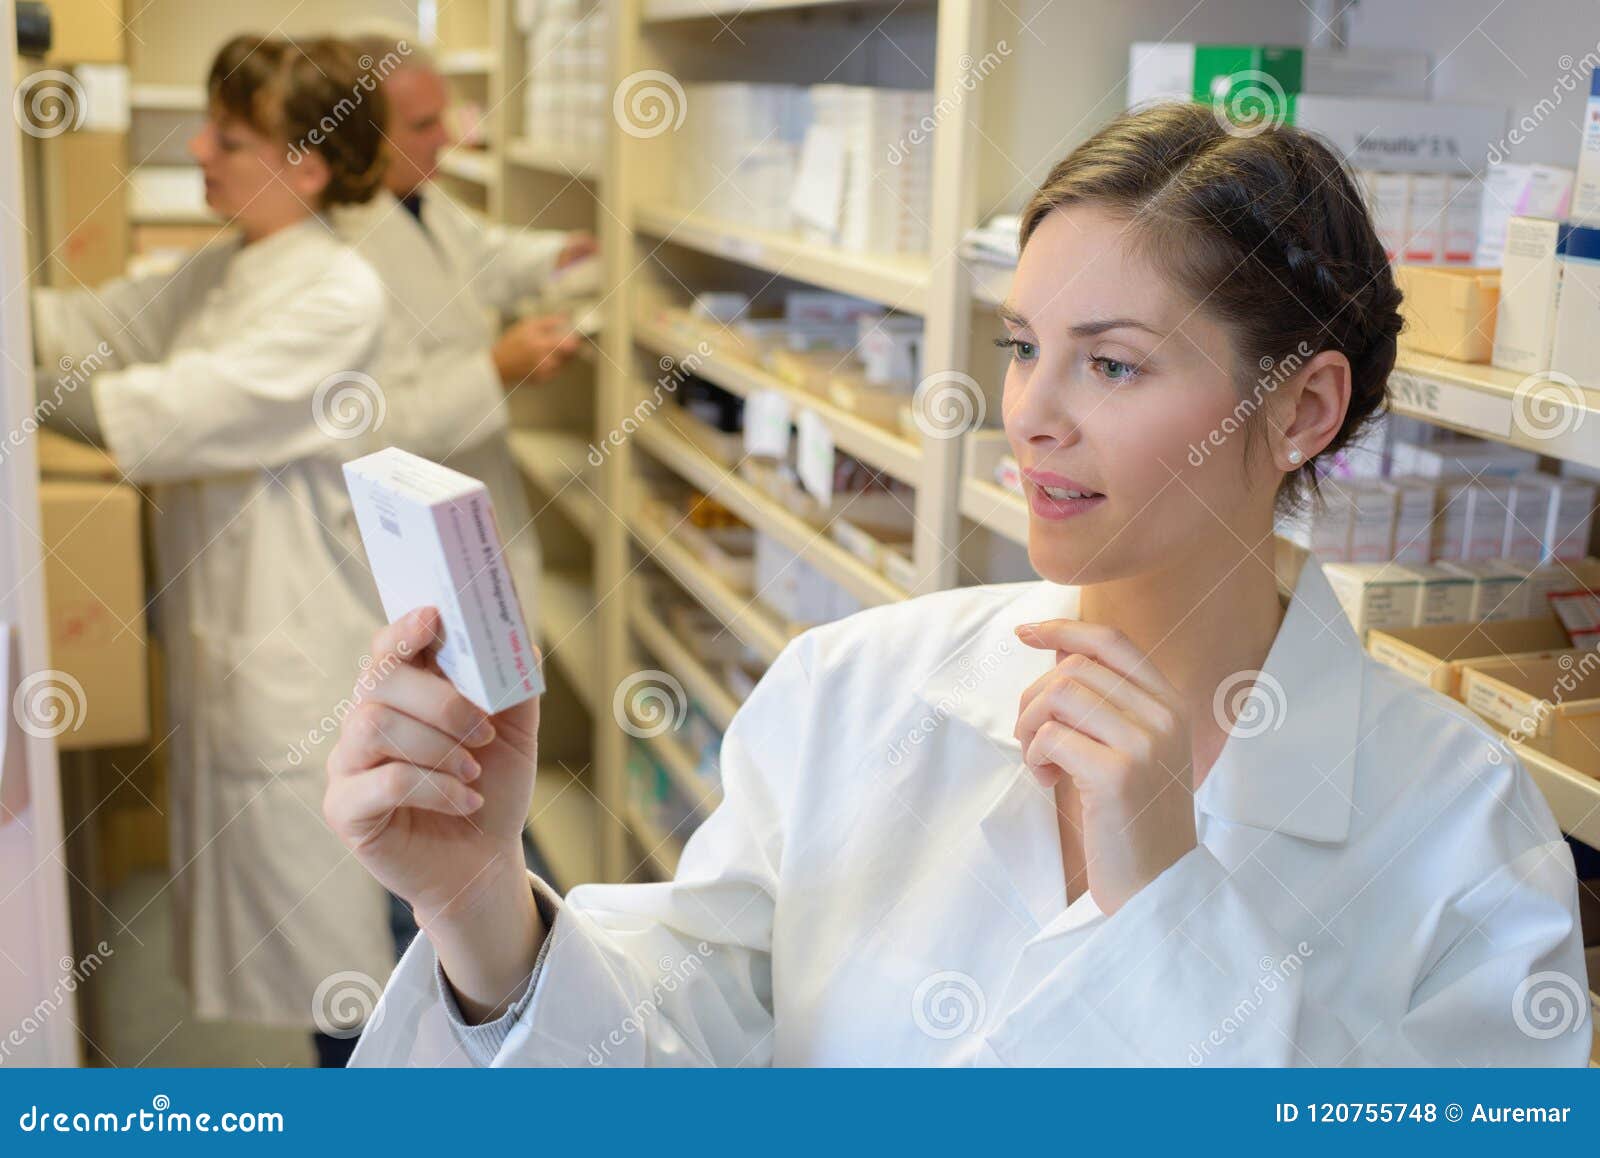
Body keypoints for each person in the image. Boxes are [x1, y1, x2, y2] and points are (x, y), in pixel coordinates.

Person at [325, 102, 1592, 1066]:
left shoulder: (1462, 836)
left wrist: (1162, 904)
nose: (1029, 413)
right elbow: (685, 1056)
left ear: (1302, 407)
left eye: (1112, 365)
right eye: (1024, 347)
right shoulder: (855, 693)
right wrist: (481, 909)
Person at [32, 35, 396, 1067]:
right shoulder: (231, 265)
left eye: (229, 138)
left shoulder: (336, 296)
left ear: (309, 164)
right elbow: (85, 325)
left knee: (351, 973)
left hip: (298, 664)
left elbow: (159, 411)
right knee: (325, 957)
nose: (199, 148)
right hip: (233, 653)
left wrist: (21, 393)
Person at [329, 31, 598, 627]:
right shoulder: (340, 252)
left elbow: (482, 254)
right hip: (411, 539)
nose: (447, 137)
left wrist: (564, 255)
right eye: (423, 126)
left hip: (470, 507)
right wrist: (496, 370)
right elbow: (375, 431)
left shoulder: (421, 200)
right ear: (361, 136)